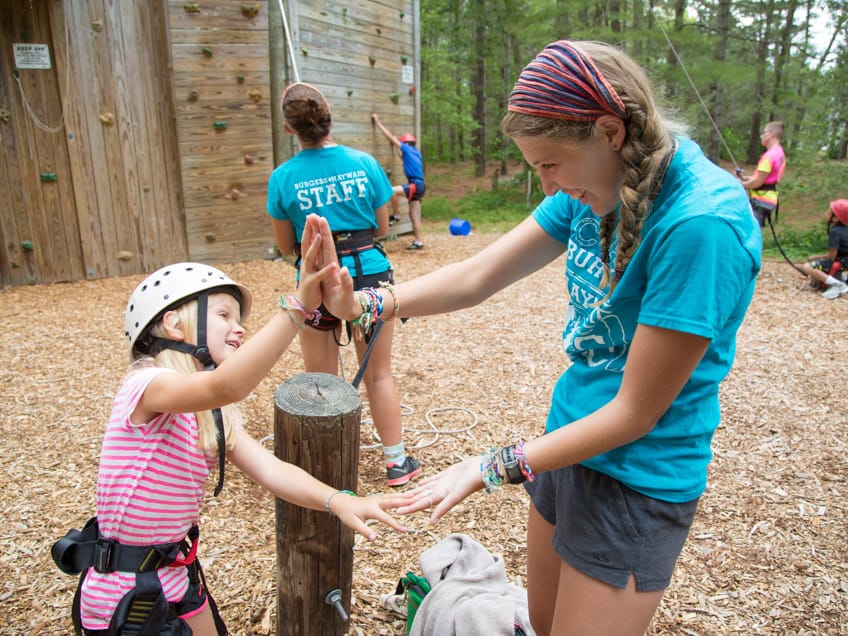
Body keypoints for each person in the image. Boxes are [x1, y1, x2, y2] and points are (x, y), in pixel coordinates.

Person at [311, 40, 762, 636]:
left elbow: (633, 413)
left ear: (609, 130)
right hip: (563, 445)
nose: (548, 187)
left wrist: (491, 466)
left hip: (635, 481)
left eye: (550, 165)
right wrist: (364, 302)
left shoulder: (700, 224)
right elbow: (478, 276)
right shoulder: (594, 184)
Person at [51, 234, 412, 635]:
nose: (238, 329)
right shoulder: (147, 384)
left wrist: (338, 500)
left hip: (175, 572)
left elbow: (272, 470)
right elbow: (225, 385)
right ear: (173, 321)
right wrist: (298, 308)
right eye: (225, 316)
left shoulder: (211, 412)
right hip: (124, 590)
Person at [266, 83, 422, 487]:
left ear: (289, 128)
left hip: (314, 277)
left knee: (320, 381)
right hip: (367, 271)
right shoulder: (365, 163)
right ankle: (396, 462)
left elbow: (286, 246)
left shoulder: (282, 178)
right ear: (329, 112)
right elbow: (382, 227)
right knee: (378, 373)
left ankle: (325, 468)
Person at [371, 112, 426, 250]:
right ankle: (419, 241)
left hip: (414, 185)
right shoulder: (415, 153)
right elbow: (401, 156)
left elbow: (389, 137)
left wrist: (377, 122)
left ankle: (395, 215)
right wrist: (397, 146)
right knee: (414, 216)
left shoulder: (406, 148)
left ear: (405, 143)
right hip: (420, 187)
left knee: (389, 191)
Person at [736, 120, 786, 228]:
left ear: (772, 134)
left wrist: (738, 184)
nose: (761, 136)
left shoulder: (769, 156)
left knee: (749, 232)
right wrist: (746, 178)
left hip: (761, 201)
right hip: (768, 199)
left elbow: (757, 182)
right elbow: (767, 178)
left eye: (764, 132)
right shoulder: (780, 153)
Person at [797, 198, 848, 299]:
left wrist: (815, 257)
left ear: (835, 218)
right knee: (820, 263)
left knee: (807, 267)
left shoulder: (835, 232)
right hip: (846, 262)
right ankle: (839, 279)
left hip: (841, 263)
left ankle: (837, 285)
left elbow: (832, 256)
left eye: (828, 212)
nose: (825, 213)